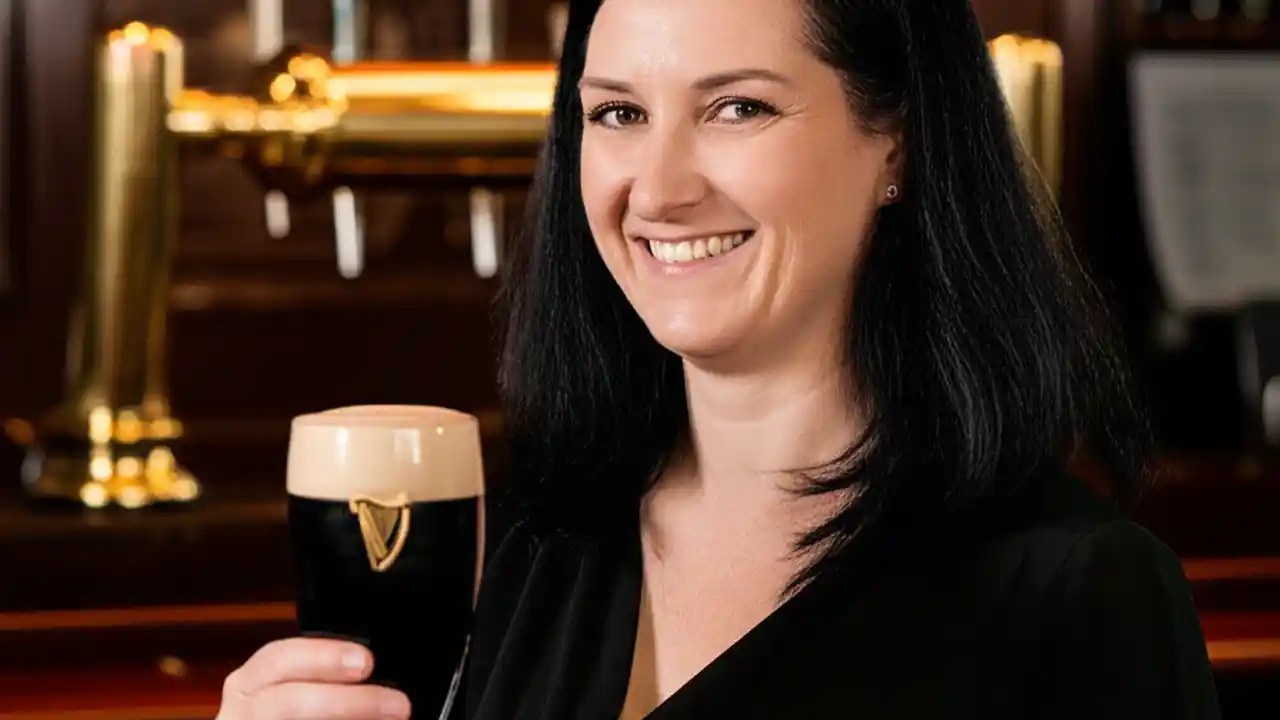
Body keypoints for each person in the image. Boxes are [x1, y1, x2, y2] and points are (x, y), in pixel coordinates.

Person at [217, 0, 1222, 717]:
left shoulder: (1075, 591)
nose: (655, 191)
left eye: (735, 107)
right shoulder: (528, 536)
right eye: (617, 113)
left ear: (897, 146)